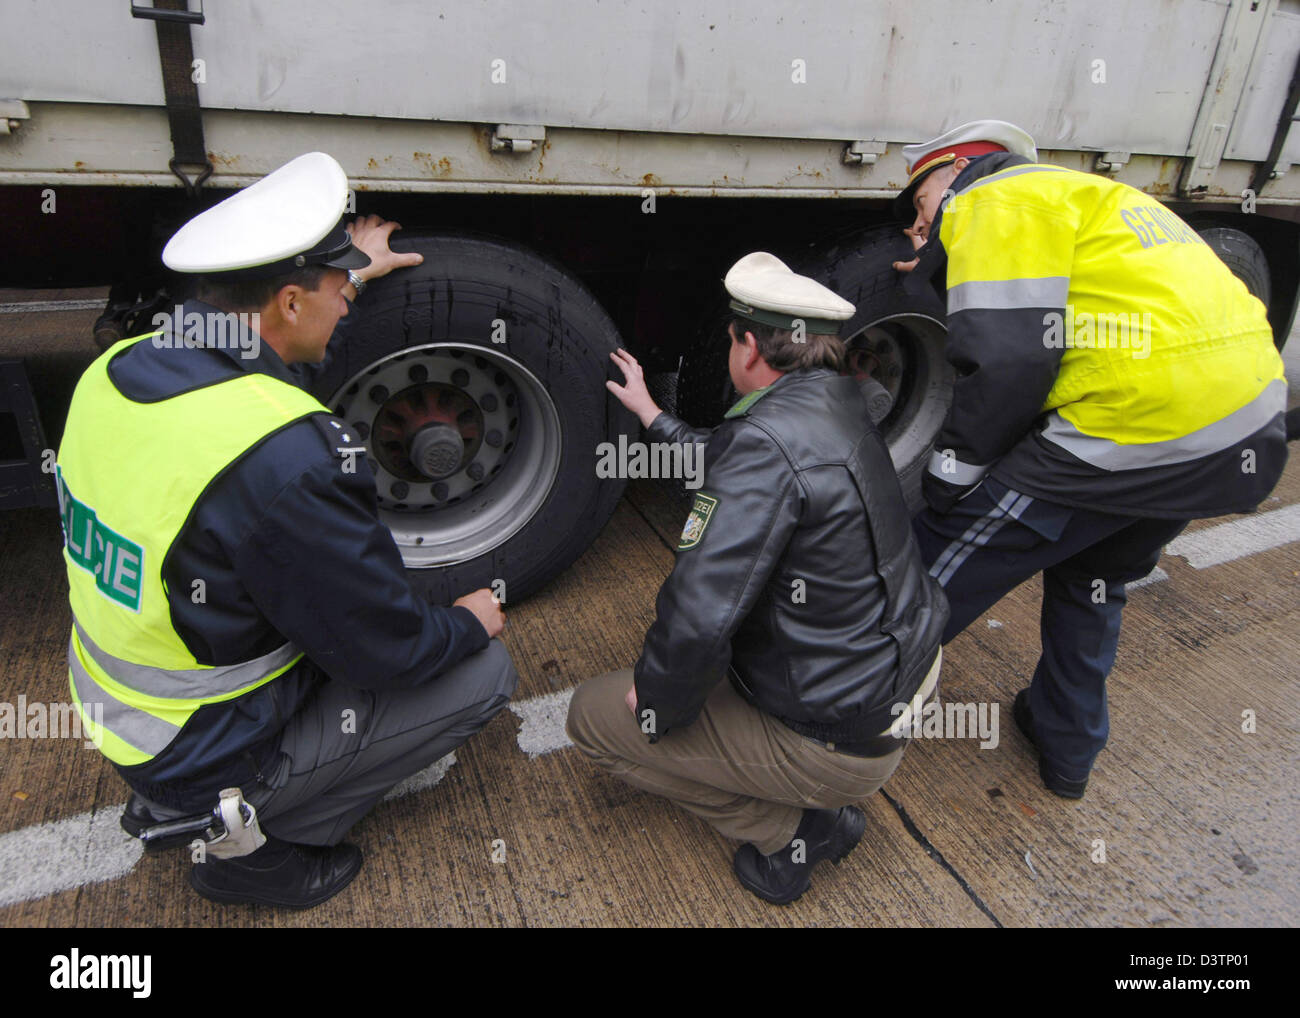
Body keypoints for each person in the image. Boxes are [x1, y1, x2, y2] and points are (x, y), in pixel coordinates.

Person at [57, 152, 518, 909]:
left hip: (125, 710)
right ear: (292, 303)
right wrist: (466, 625)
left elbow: (249, 386)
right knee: (481, 674)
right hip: (200, 749)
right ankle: (240, 846)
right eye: (338, 293)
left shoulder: (115, 370)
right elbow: (386, 650)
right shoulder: (295, 458)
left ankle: (196, 799)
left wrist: (352, 272)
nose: (347, 305)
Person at [892, 120, 1289, 797]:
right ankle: (1065, 746)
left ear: (954, 167)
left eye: (918, 202)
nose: (915, 223)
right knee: (1093, 581)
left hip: (1134, 426)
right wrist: (937, 262)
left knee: (926, 578)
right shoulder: (1092, 196)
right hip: (1238, 432)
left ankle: (817, 737)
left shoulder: (991, 200)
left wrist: (951, 473)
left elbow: (1008, 357)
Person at [565, 253, 948, 905]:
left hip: (841, 737)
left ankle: (796, 833)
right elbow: (728, 458)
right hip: (897, 685)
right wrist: (651, 414)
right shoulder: (836, 405)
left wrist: (659, 702)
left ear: (748, 347)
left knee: (595, 718)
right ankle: (818, 798)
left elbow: (697, 618)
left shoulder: (767, 443)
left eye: (730, 338)